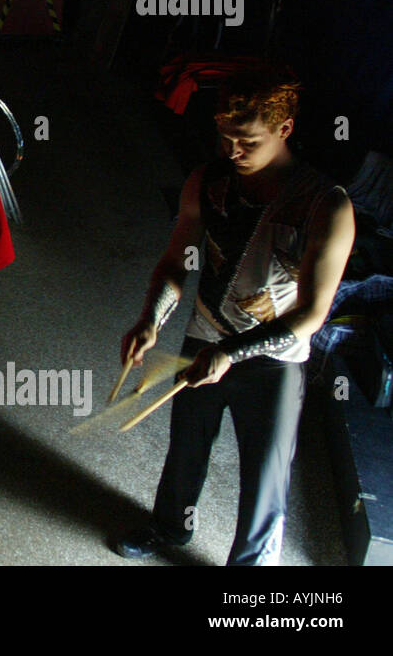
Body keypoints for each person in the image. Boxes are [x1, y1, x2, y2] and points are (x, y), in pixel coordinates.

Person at [113, 70, 355, 566]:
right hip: (206, 335)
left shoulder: (326, 204)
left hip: (274, 358)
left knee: (266, 476)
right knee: (186, 446)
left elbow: (312, 313)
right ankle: (169, 527)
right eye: (225, 138)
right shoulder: (208, 179)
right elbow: (178, 261)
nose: (233, 152)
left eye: (247, 141)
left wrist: (230, 352)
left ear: (285, 130)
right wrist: (152, 319)